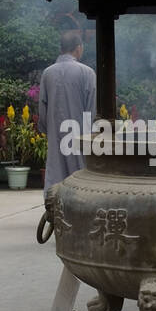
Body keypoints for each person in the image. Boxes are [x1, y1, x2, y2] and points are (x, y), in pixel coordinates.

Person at [38, 29, 97, 196]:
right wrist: (91, 137)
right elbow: (92, 111)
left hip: (56, 135)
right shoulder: (87, 73)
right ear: (78, 48)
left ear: (61, 49)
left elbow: (43, 109)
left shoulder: (47, 73)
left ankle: (54, 210)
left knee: (55, 173)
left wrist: (47, 129)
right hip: (80, 137)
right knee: (80, 176)